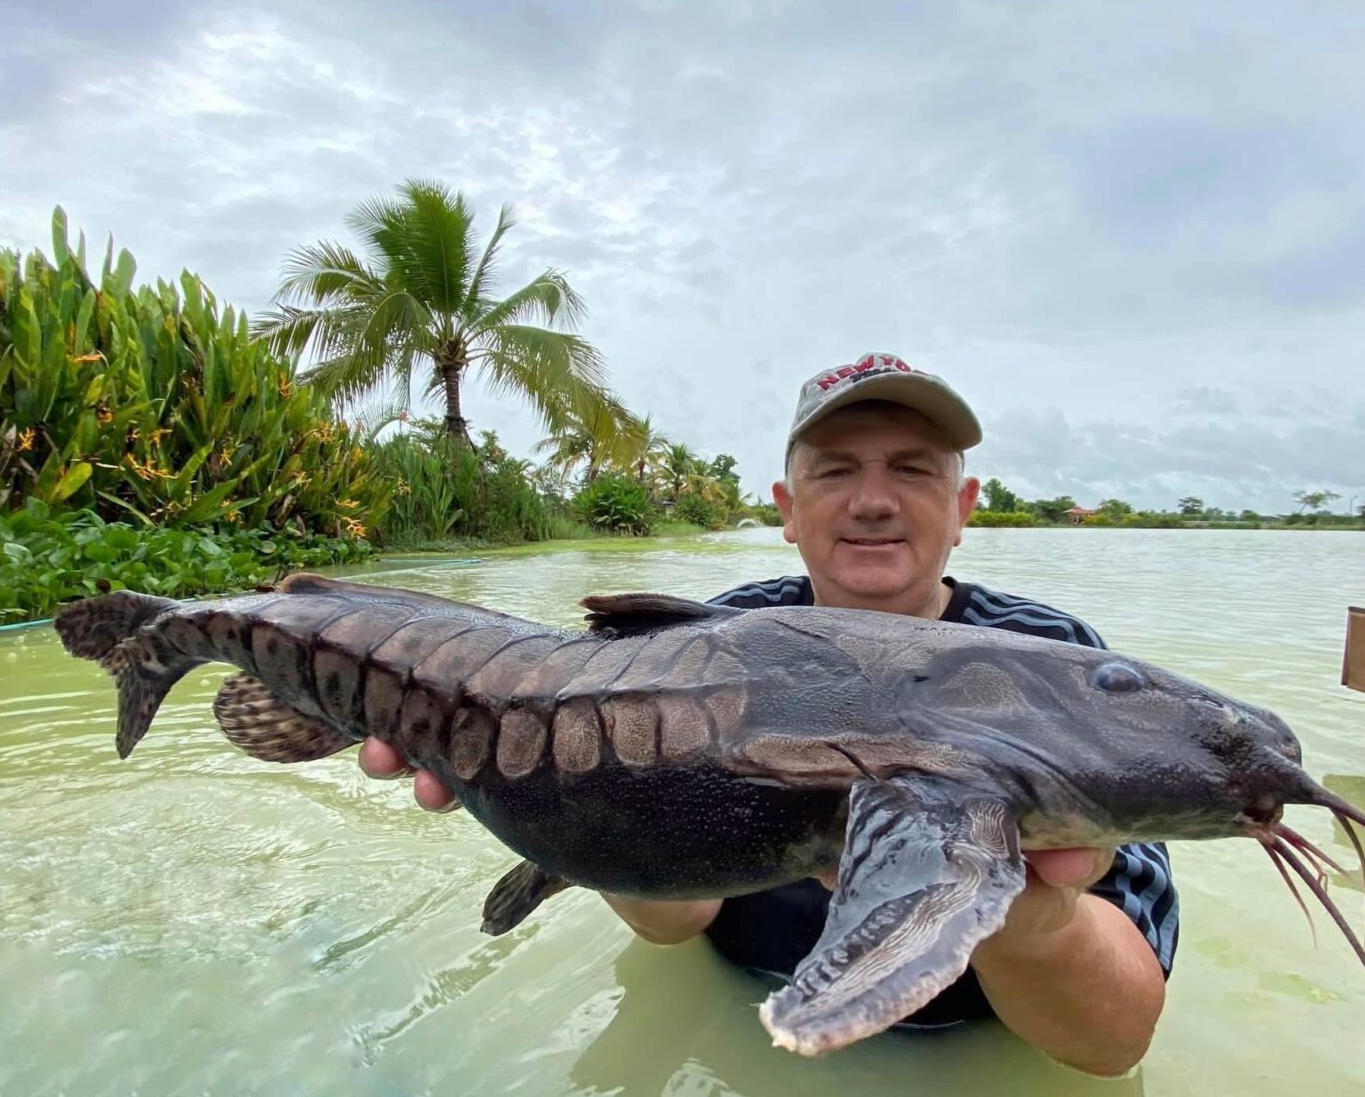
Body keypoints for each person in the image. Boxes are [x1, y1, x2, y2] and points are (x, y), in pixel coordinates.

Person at [359, 354, 1176, 1077]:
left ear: (963, 505)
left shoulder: (1064, 666)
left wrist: (1024, 917)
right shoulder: (706, 641)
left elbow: (1112, 1048)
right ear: (788, 507)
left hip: (968, 1042)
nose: (873, 502)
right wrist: (546, 792)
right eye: (835, 472)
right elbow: (672, 925)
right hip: (738, 1031)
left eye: (913, 470)